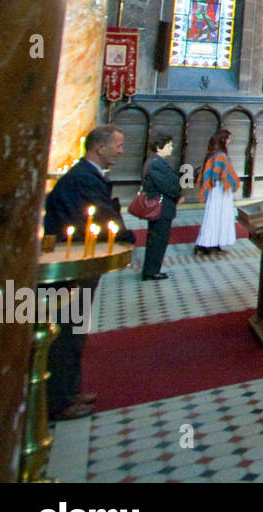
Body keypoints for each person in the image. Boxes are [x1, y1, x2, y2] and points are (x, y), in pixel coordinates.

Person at [42, 125, 136, 421]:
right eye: (118, 145)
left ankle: (69, 392)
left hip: (81, 259)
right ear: (99, 148)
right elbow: (98, 215)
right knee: (67, 332)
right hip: (73, 264)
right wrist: (125, 236)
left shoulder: (87, 175)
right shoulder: (83, 178)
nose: (121, 151)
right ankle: (59, 401)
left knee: (74, 330)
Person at [139, 131, 182, 280]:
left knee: (158, 240)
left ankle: (152, 270)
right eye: (169, 145)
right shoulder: (156, 163)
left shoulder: (157, 161)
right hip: (161, 208)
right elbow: (166, 185)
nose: (172, 148)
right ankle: (151, 272)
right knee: (157, 240)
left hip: (162, 207)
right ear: (159, 147)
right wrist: (178, 196)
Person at [195, 129, 238, 255]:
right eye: (229, 138)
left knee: (214, 217)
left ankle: (211, 243)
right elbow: (219, 173)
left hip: (215, 189)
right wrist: (230, 180)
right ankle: (206, 244)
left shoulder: (213, 153)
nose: (230, 141)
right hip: (220, 190)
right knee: (218, 216)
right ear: (223, 140)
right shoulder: (221, 155)